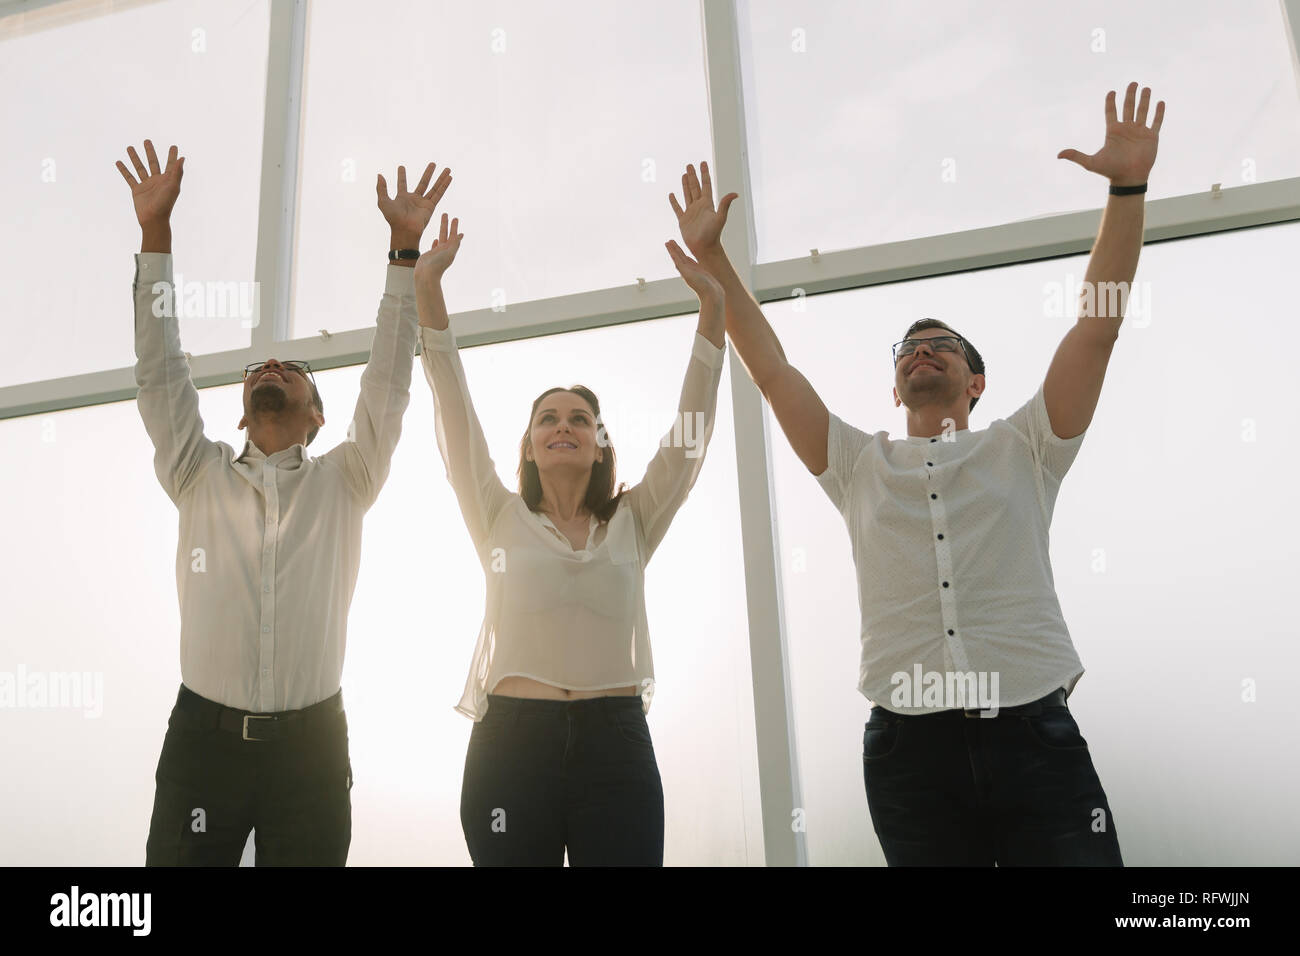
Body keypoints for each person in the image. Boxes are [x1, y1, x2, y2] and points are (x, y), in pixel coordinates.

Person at [672, 82, 1166, 865]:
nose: (920, 349)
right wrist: (715, 260)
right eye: (907, 347)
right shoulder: (857, 463)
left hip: (1034, 735)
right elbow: (771, 370)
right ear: (895, 386)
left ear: (975, 382)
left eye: (942, 344)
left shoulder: (1026, 444)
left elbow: (1097, 327)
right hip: (908, 754)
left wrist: (1127, 189)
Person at [121, 140, 448, 864]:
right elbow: (158, 370)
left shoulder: (346, 478)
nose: (271, 366)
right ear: (240, 413)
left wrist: (403, 254)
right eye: (258, 368)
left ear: (317, 415)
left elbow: (388, 384)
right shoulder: (195, 471)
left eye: (294, 369)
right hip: (202, 745)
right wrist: (155, 237)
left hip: (311, 750)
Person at [413, 210, 727, 866]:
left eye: (580, 419)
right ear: (527, 446)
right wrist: (428, 286)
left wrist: (713, 307)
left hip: (615, 747)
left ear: (600, 442)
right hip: (509, 748)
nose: (565, 425)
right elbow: (451, 398)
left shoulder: (633, 521)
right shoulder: (497, 515)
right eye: (548, 419)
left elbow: (691, 437)